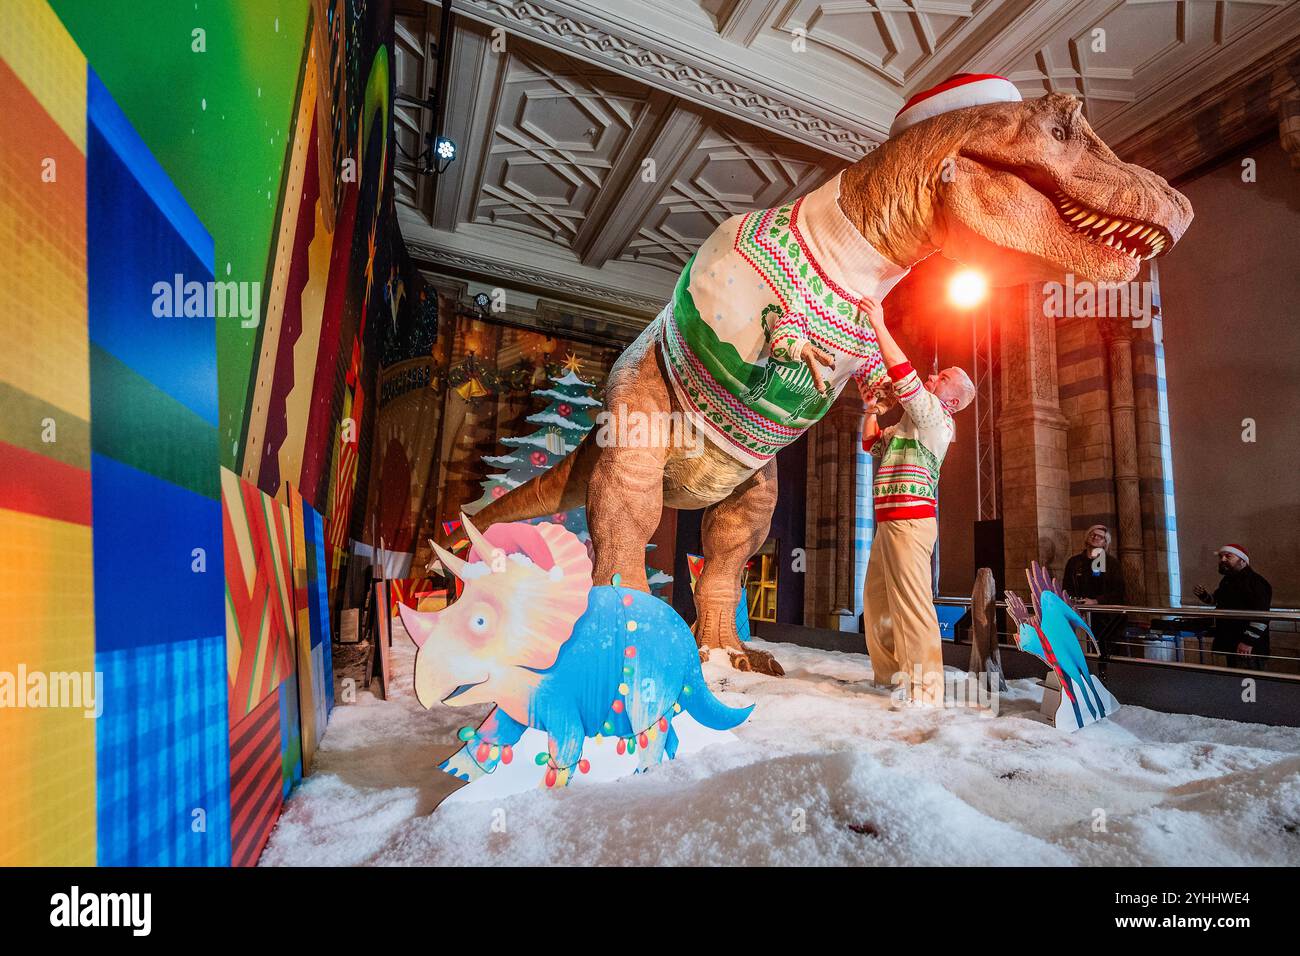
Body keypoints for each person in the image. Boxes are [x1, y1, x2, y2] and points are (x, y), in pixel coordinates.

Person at [858, 296, 975, 705]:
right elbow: (871, 442)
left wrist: (878, 323)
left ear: (952, 400)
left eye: (941, 376)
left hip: (909, 522)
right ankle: (891, 676)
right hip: (890, 523)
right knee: (878, 601)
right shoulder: (912, 423)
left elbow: (904, 375)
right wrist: (871, 408)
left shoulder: (936, 420)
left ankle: (926, 690)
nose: (932, 375)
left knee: (912, 604)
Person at [1193, 544, 1272, 670]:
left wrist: (1248, 641)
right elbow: (1217, 601)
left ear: (1243, 560)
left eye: (1228, 556)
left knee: (1250, 682)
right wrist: (1204, 596)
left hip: (1248, 647)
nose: (1222, 560)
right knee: (1235, 681)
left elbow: (1262, 614)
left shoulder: (1256, 582)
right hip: (1231, 642)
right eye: (1221, 557)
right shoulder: (1227, 581)